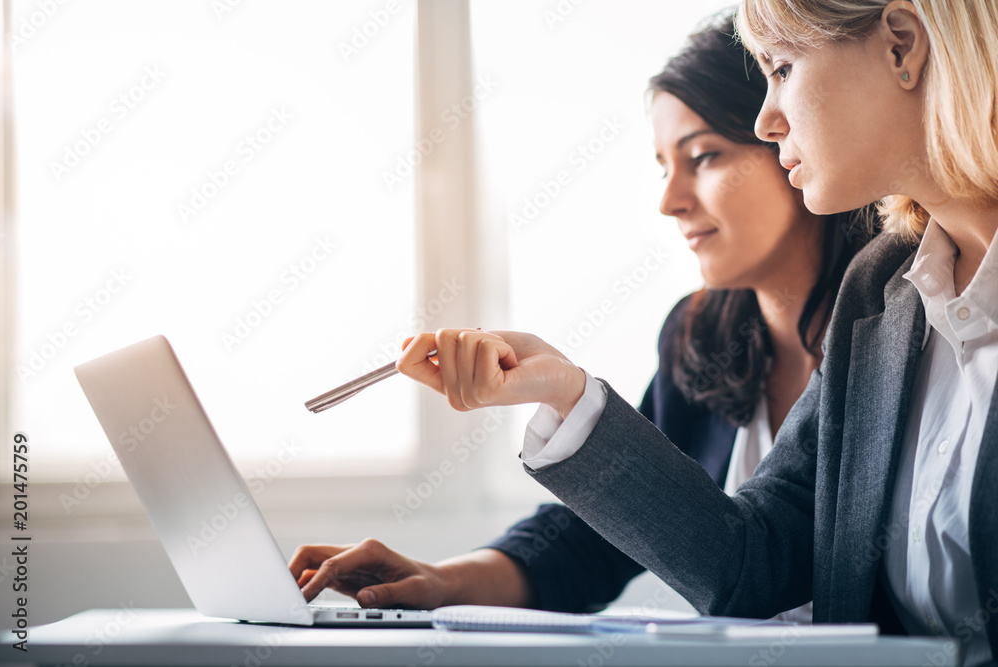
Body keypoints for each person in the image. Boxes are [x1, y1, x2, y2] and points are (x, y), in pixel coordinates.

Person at [388, 1, 998, 665]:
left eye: (784, 69)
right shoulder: (882, 294)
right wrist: (567, 393)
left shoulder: (862, 289)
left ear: (903, 49)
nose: (770, 120)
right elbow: (749, 561)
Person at [289, 13, 872, 621]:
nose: (670, 201)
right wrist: (440, 578)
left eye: (702, 158)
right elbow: (610, 530)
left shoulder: (897, 325)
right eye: (663, 166)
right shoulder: (701, 337)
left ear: (791, 137)